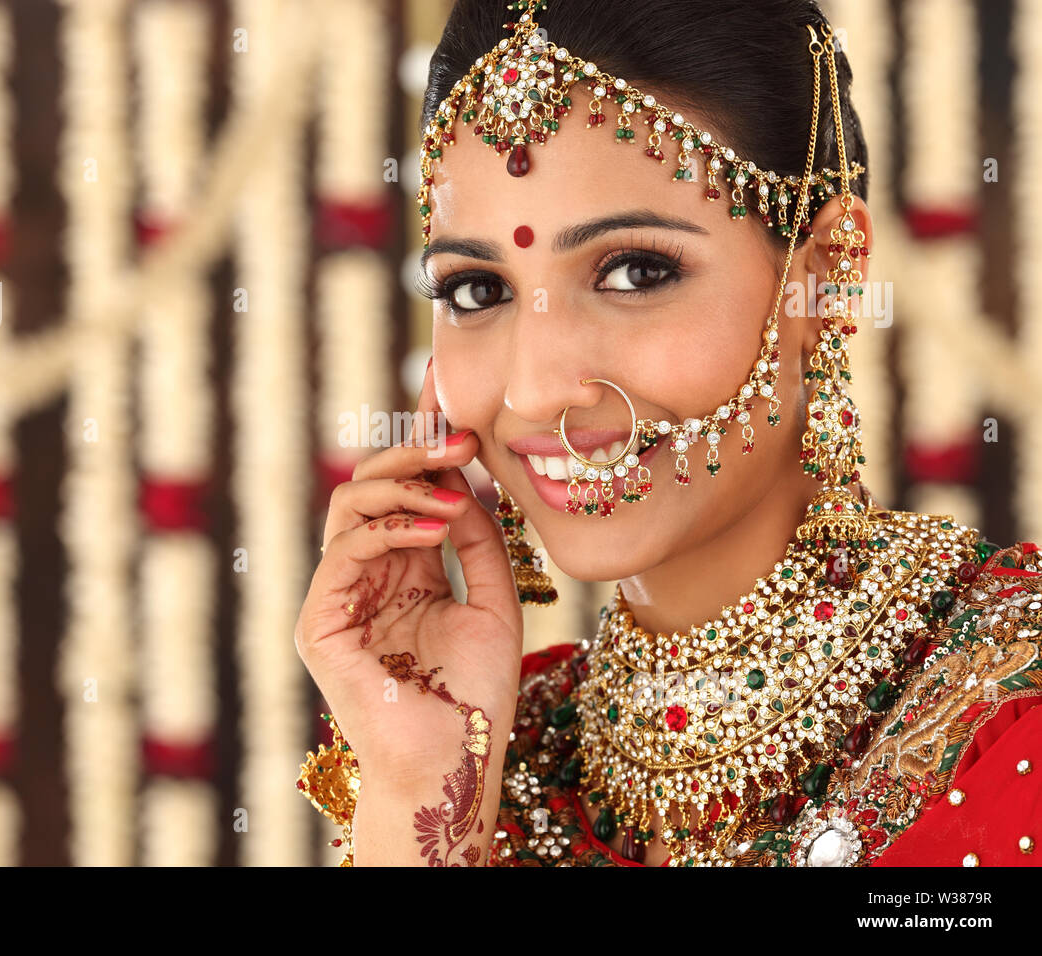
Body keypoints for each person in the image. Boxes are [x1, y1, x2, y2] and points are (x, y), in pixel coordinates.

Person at [294, 0, 1042, 866]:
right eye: (476, 291)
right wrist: (425, 799)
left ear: (828, 275)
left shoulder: (1003, 708)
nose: (536, 392)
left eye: (634, 271)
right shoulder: (492, 743)